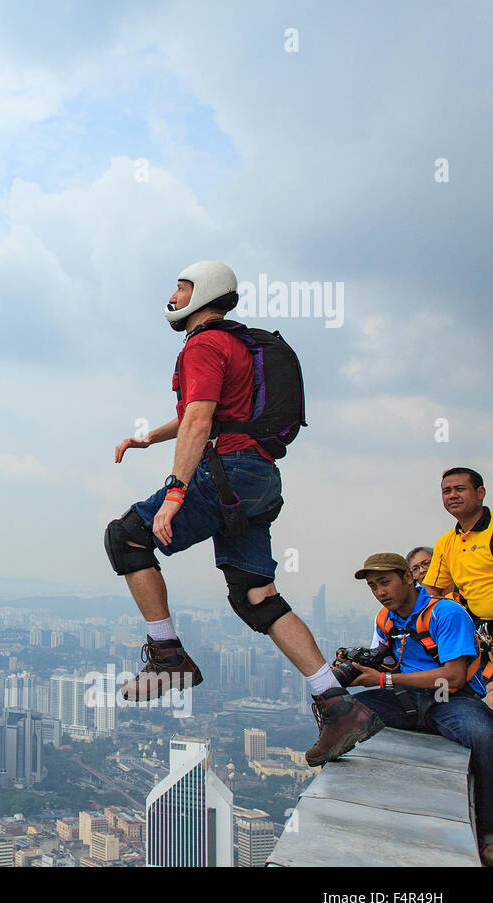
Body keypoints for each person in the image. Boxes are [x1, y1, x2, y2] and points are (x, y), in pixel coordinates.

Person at [107, 260, 380, 767]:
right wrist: (147, 436)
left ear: (205, 292)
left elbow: (201, 419)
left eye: (181, 286)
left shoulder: (203, 344)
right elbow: (201, 412)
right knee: (257, 597)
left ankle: (167, 656)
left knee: (126, 537)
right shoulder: (236, 344)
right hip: (260, 478)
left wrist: (174, 492)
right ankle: (337, 704)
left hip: (225, 470)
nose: (172, 294)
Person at [347, 552, 493, 865]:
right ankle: (358, 805)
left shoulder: (446, 613)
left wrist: (385, 679)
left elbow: (454, 676)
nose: (380, 592)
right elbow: (386, 658)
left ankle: (489, 832)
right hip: (407, 699)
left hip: (449, 700)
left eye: (385, 582)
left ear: (409, 578)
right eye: (373, 586)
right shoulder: (386, 620)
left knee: (484, 735)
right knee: (344, 711)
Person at [423, 468, 493, 629]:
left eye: (460, 489)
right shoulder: (446, 542)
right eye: (446, 491)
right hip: (478, 631)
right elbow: (432, 590)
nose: (452, 495)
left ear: (480, 493)